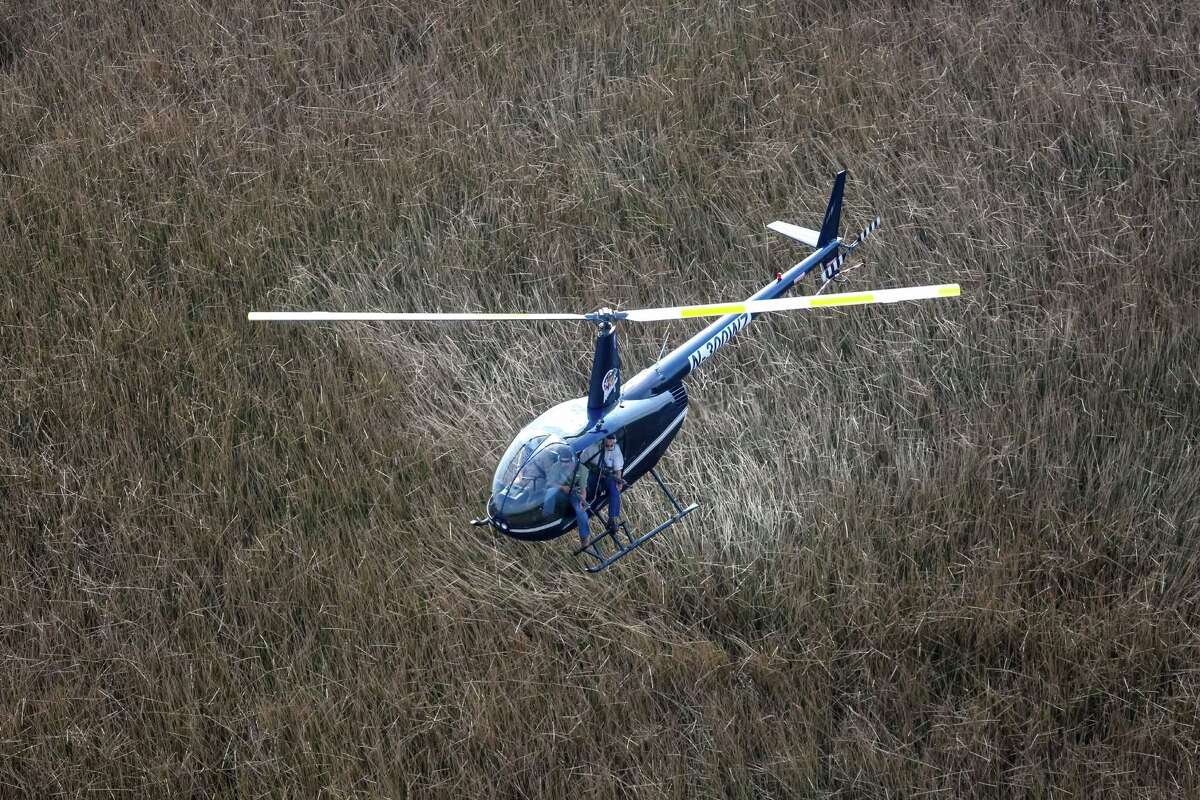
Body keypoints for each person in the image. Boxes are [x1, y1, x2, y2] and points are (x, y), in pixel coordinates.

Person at [600, 434, 625, 535]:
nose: (609, 448)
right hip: (597, 474)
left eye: (611, 446)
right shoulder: (596, 448)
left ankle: (613, 518)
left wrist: (619, 481)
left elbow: (618, 468)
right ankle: (613, 519)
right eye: (607, 446)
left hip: (609, 475)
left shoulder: (616, 450)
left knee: (614, 491)